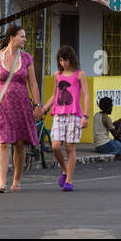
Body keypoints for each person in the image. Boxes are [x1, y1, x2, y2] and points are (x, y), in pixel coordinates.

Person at [0, 24, 43, 193]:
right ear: (11, 37)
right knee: (3, 142)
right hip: (2, 107)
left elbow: (33, 83)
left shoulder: (27, 58)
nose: (25, 39)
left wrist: (37, 105)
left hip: (21, 106)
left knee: (20, 144)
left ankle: (17, 180)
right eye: (22, 36)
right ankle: (1, 182)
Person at [49, 46, 87, 191]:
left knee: (70, 147)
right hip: (58, 114)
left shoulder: (79, 75)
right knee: (55, 146)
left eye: (65, 59)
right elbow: (54, 95)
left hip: (74, 114)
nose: (63, 63)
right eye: (60, 60)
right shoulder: (57, 75)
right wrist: (43, 109)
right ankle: (64, 170)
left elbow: (86, 95)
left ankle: (69, 181)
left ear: (71, 59)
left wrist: (86, 116)